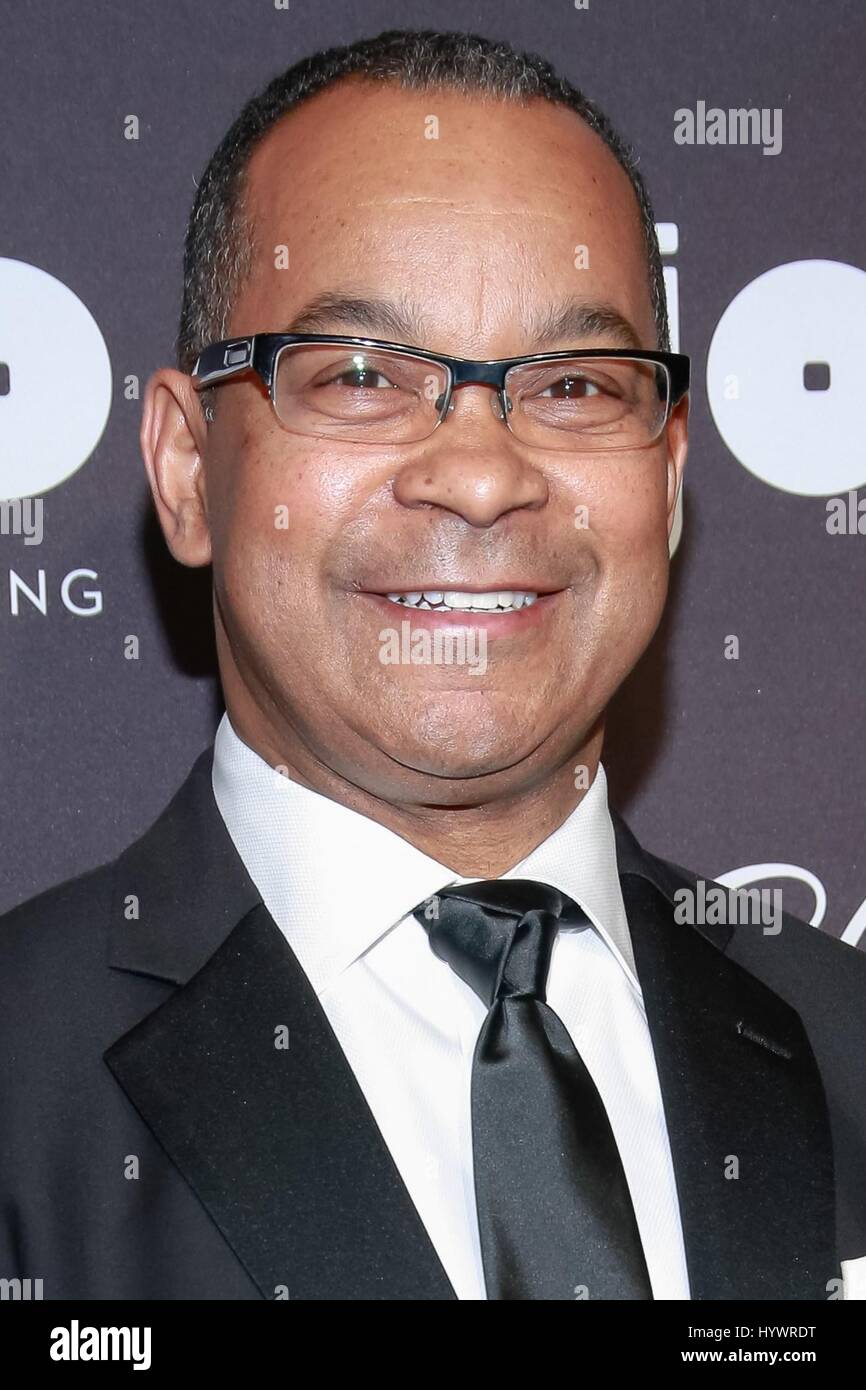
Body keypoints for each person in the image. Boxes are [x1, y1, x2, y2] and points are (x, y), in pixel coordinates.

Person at [1, 27, 864, 1302]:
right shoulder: (22, 1073)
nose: (477, 473)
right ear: (188, 468)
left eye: (573, 384)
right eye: (358, 375)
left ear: (669, 479)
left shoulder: (842, 1036)